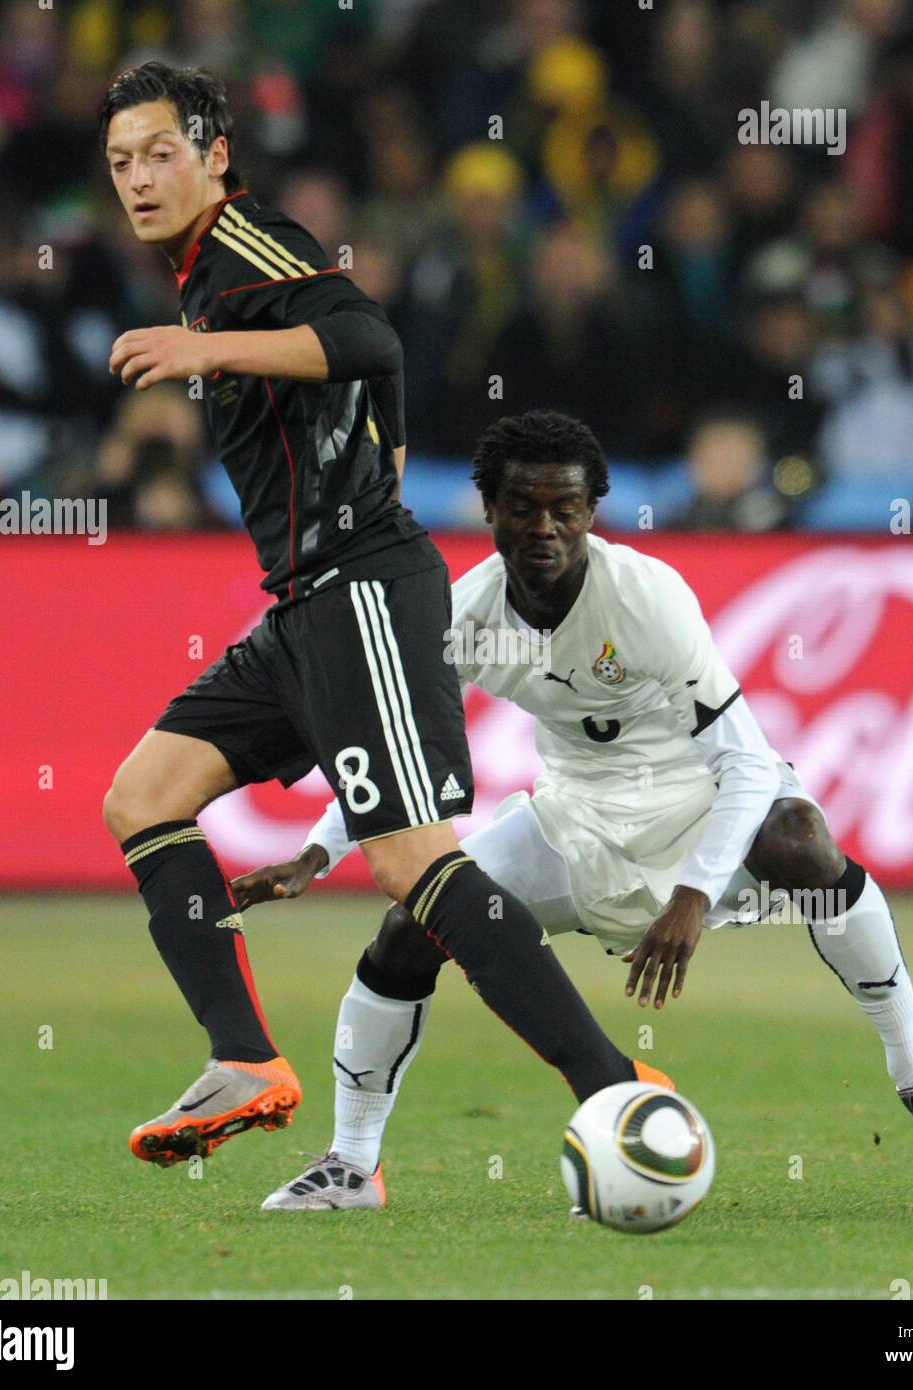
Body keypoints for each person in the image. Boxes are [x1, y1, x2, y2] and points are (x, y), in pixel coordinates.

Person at [98, 64, 657, 1171]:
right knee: (143, 797)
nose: (139, 178)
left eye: (161, 152)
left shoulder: (243, 248)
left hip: (359, 587)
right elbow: (370, 359)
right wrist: (386, 444)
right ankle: (246, 1058)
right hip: (305, 603)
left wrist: (207, 350)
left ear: (214, 154)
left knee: (410, 865)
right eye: (120, 163)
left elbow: (368, 339)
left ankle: (614, 1084)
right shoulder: (206, 268)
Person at [233, 410, 913, 1211]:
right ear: (487, 511)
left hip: (701, 801)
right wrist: (321, 850)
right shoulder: (467, 617)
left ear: (591, 511)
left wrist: (694, 896)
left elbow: (743, 761)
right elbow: (403, 748)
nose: (545, 528)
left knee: (800, 838)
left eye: (564, 508)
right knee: (406, 930)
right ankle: (353, 1165)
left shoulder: (644, 597)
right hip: (576, 820)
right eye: (522, 507)